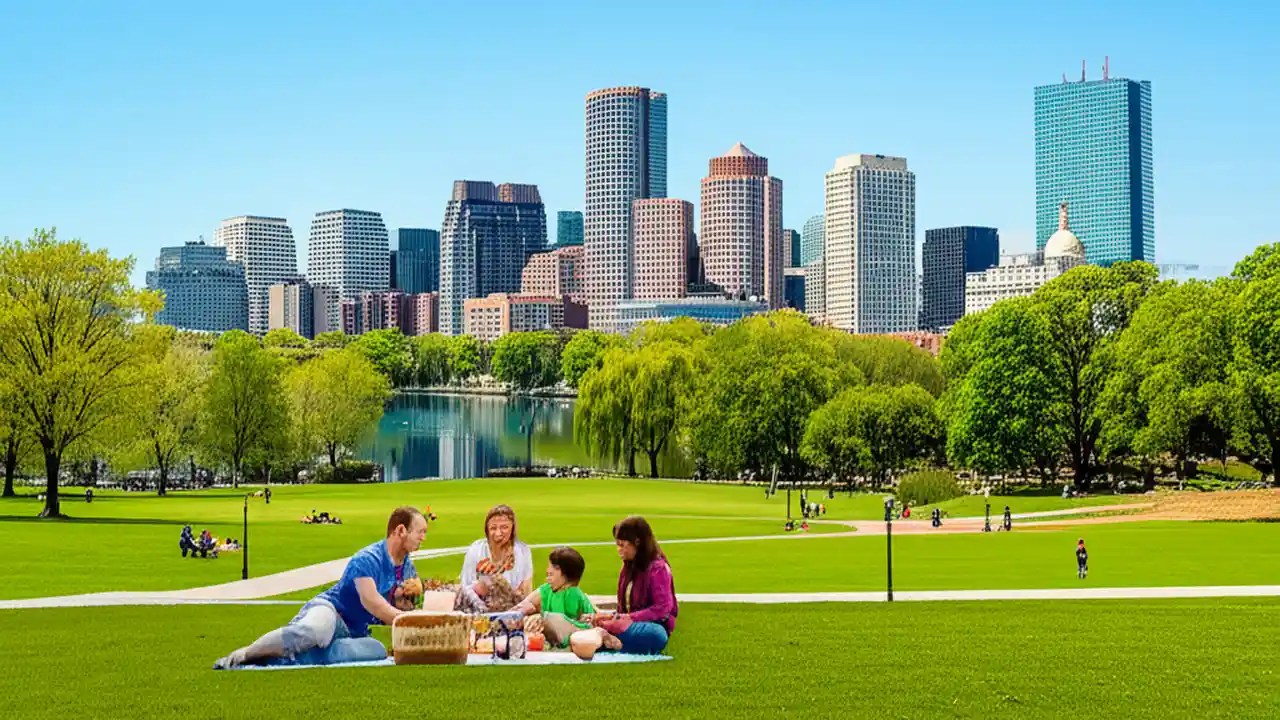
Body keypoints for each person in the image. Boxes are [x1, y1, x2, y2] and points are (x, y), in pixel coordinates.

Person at [213, 506, 427, 669]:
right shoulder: (367, 559)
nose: (423, 538)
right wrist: (411, 622)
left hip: (354, 632)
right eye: (420, 532)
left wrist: (407, 603)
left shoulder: (408, 569)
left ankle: (285, 658)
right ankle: (245, 655)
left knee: (378, 650)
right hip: (332, 611)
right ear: (401, 530)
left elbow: (399, 608)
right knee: (317, 632)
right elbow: (374, 604)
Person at [570, 516, 678, 660]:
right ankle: (605, 638)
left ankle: (602, 638)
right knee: (600, 622)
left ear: (637, 543)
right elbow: (623, 611)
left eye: (622, 545)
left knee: (656, 635)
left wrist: (629, 619)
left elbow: (662, 609)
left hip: (650, 626)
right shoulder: (627, 567)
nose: (619, 550)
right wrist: (610, 617)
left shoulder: (658, 569)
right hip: (626, 626)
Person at [456, 505, 533, 613]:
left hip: (512, 610)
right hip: (476, 609)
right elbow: (465, 587)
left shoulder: (523, 551)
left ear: (512, 528)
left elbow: (526, 591)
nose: (498, 533)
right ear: (487, 530)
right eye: (493, 528)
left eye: (504, 527)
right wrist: (483, 609)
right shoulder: (476, 549)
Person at [513, 547, 596, 648]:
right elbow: (522, 607)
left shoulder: (572, 593)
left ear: (566, 575)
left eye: (553, 568)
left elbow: (561, 626)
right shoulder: (547, 589)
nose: (548, 571)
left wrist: (541, 619)